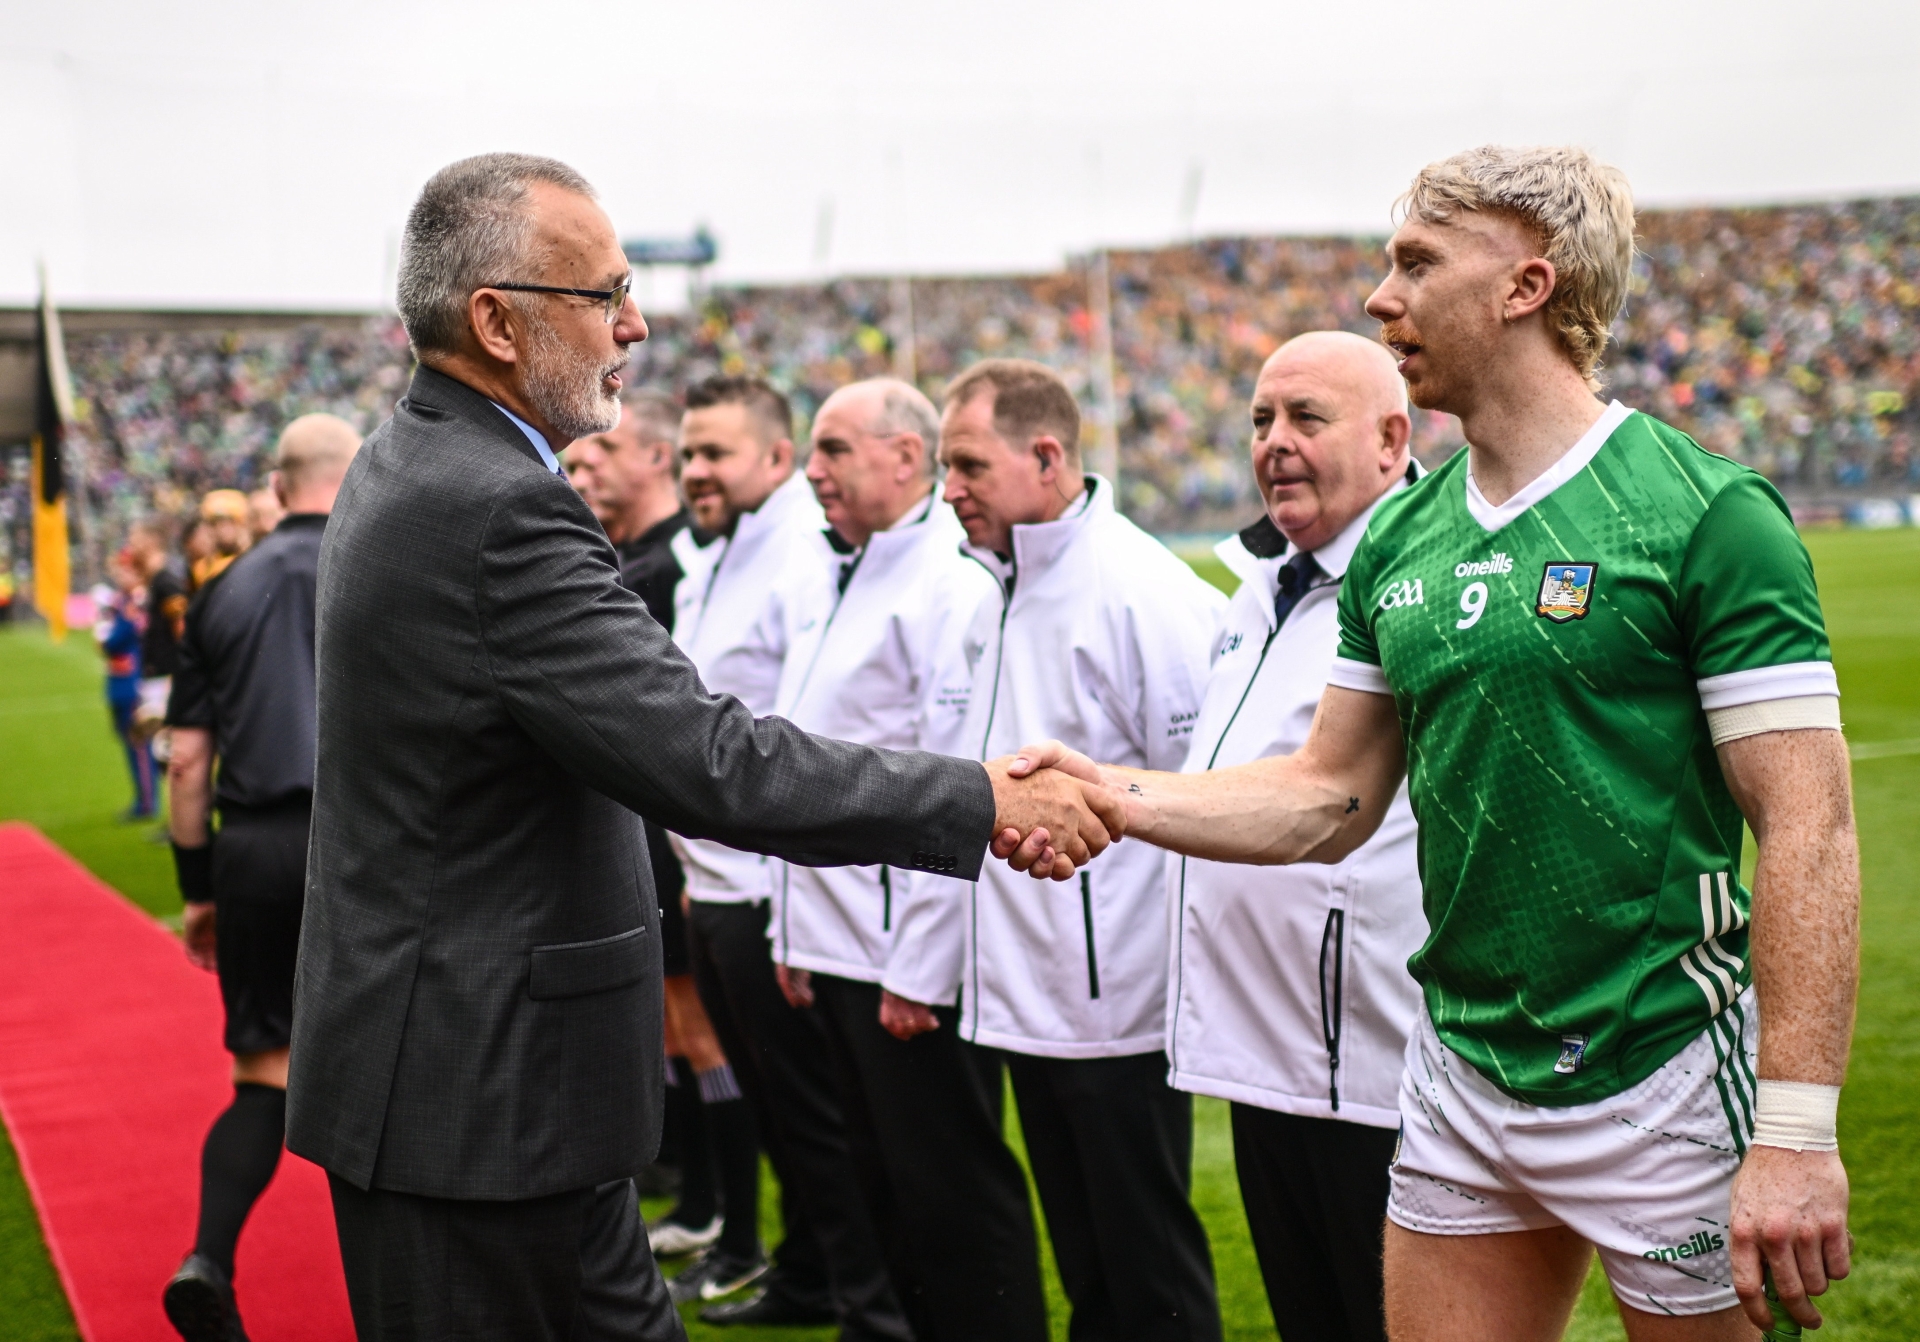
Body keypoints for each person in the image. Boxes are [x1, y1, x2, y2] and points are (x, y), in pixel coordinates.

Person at [1011, 145, 1858, 1342]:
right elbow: (1327, 794)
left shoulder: (1706, 515)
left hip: (1658, 1072)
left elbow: (1810, 825)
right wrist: (1122, 798)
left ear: (1525, 284)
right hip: (1459, 1071)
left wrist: (1796, 1131)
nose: (1378, 295)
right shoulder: (1403, 537)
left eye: (1415, 262)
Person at [286, 153, 1110, 1342]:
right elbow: (706, 758)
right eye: (604, 294)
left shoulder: (416, 454)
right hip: (480, 1097)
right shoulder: (500, 507)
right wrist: (981, 798)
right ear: (497, 321)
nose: (634, 325)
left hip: (478, 1080)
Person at [917, 357, 1228, 1340]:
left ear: (1046, 455)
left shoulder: (1144, 588)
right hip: (1027, 989)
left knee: (1147, 1271)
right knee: (1091, 1264)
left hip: (1120, 1003)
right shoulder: (989, 587)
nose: (949, 489)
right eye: (943, 466)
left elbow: (1213, 794)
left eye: (967, 464)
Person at [769, 377, 1049, 1341]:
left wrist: (919, 966)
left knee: (952, 1195)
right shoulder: (841, 570)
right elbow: (808, 759)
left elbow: (954, 784)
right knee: (880, 1186)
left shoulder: (949, 582)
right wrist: (791, 922)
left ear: (904, 456)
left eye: (835, 449)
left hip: (903, 958)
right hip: (840, 944)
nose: (814, 471)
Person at [1166, 331, 1426, 1342]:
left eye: (1307, 419)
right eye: (1261, 421)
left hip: (1373, 1058)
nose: (1274, 442)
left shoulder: (1422, 581)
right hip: (1261, 1046)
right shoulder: (1260, 585)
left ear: (1391, 438)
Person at [665, 372, 909, 1334]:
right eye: (688, 453)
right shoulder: (719, 560)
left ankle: (862, 1301)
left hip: (773, 894)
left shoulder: (798, 561)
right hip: (723, 890)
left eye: (715, 453)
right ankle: (813, 1279)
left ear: (773, 459)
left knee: (820, 1126)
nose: (696, 472)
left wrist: (779, 897)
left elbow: (797, 741)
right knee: (783, 1119)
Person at [160, 413, 362, 1341]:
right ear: (357, 480)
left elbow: (187, 763)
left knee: (262, 1068)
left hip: (256, 848)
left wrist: (198, 887)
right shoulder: (384, 563)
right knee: (394, 1068)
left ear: (277, 488)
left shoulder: (220, 590)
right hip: (367, 843)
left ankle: (208, 1256)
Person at [564, 391, 742, 1256]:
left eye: (604, 451)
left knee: (699, 1023)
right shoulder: (628, 554)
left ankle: (721, 1206)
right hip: (646, 831)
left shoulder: (678, 561)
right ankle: (704, 1192)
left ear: (657, 459)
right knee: (678, 1023)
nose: (585, 463)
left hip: (680, 838)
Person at [95, 549, 156, 818]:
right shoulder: (121, 601)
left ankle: (146, 802)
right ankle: (142, 798)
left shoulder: (137, 601)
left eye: (126, 569)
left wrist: (105, 639)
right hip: (118, 679)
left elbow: (116, 639)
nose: (120, 574)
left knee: (139, 742)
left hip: (132, 681)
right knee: (130, 740)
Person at [127, 517, 188, 745]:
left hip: (166, 681)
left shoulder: (165, 582)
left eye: (134, 540)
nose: (130, 546)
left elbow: (182, 631)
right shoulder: (154, 580)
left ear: (151, 542)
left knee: (169, 754)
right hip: (156, 677)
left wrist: (179, 676)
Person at [190, 490, 252, 591]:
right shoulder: (201, 568)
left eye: (229, 523)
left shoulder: (251, 561)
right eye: (215, 523)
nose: (222, 530)